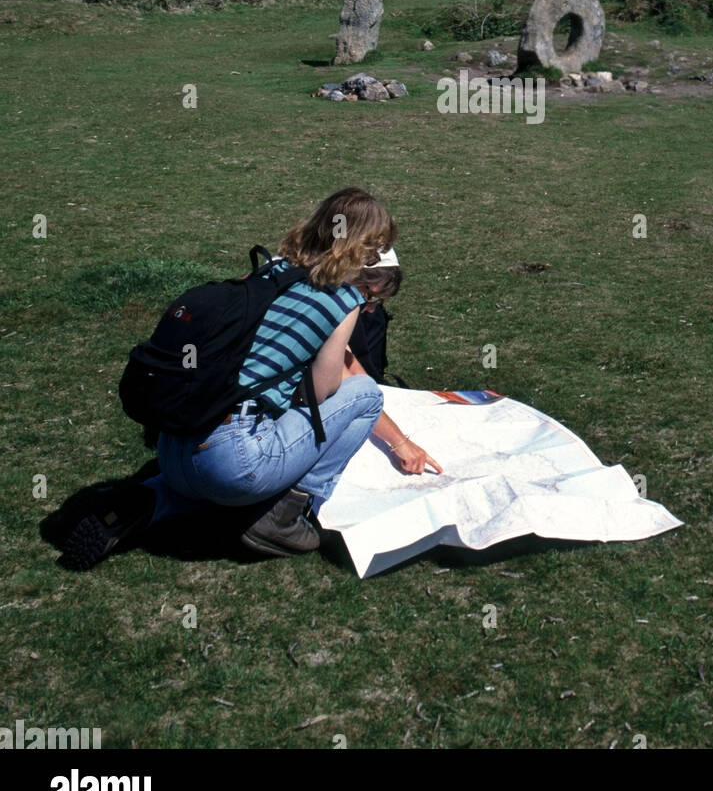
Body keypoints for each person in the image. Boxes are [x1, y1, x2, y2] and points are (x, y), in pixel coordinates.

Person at [62, 188, 441, 568]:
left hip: (174, 448)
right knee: (366, 396)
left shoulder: (269, 271)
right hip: (233, 460)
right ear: (364, 248)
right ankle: (285, 515)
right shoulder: (343, 301)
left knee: (216, 482)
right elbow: (323, 392)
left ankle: (149, 498)